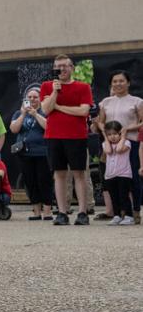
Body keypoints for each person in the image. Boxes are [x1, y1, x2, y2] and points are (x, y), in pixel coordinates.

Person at [42, 54, 94, 226]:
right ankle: (62, 212)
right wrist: (55, 93)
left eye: (65, 66)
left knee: (79, 173)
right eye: (58, 66)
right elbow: (47, 110)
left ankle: (82, 212)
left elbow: (83, 112)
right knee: (59, 175)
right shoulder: (47, 86)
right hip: (54, 136)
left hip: (76, 136)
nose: (62, 69)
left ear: (72, 68)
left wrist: (59, 108)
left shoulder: (83, 87)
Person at [97, 71, 142, 224]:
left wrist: (128, 129)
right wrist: (104, 134)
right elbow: (101, 121)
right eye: (115, 81)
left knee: (133, 178)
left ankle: (135, 211)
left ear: (128, 83)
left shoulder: (137, 101)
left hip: (131, 143)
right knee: (114, 179)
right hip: (111, 145)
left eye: (121, 81)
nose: (118, 84)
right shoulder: (106, 102)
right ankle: (119, 213)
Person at [10, 87, 53, 220]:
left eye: (35, 97)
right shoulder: (18, 113)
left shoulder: (45, 112)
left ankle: (47, 211)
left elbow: (48, 127)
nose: (32, 99)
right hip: (24, 153)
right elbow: (14, 129)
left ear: (40, 99)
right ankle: (36, 211)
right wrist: (23, 114)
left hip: (41, 152)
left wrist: (35, 114)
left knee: (44, 181)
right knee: (30, 182)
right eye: (30, 97)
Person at [101, 121, 134, 225]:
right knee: (114, 197)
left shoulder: (127, 143)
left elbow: (119, 149)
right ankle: (117, 215)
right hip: (110, 175)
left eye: (115, 134)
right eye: (109, 134)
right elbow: (108, 151)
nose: (112, 137)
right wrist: (105, 138)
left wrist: (123, 137)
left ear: (120, 133)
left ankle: (129, 216)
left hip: (123, 174)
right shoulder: (105, 144)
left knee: (123, 195)